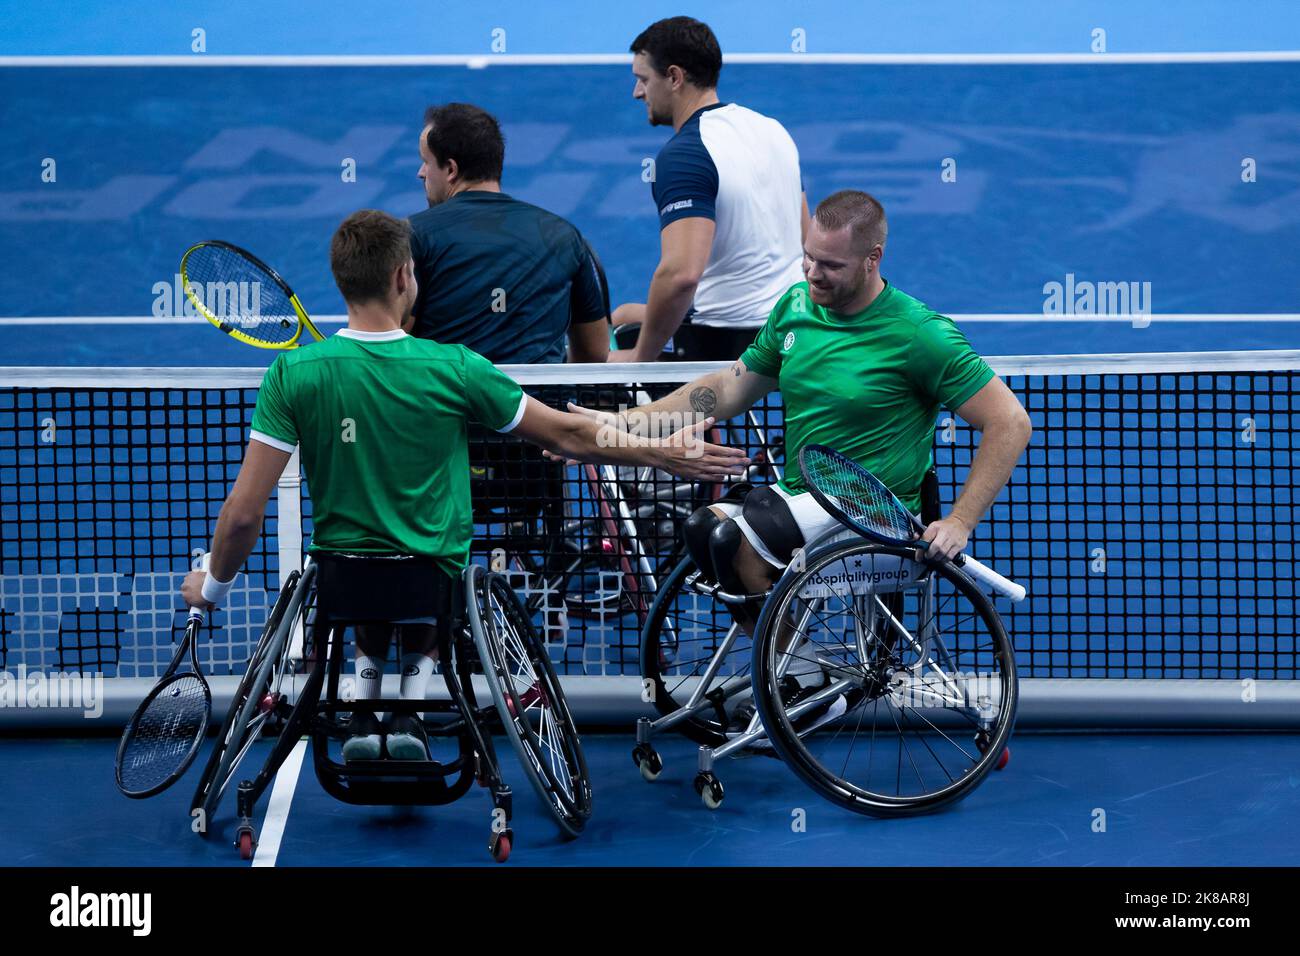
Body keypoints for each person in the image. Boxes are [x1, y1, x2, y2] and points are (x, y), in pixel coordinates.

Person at [181, 209, 747, 762]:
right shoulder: (456, 368)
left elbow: (243, 515)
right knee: (422, 562)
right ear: (405, 277)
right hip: (432, 578)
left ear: (341, 280)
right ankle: (409, 705)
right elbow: (572, 434)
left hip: (342, 583)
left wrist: (211, 589)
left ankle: (365, 703)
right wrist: (664, 453)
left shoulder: (294, 375)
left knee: (366, 560)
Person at [568, 190, 1032, 732]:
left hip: (874, 512)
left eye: (831, 265)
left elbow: (1011, 423)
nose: (813, 273)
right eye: (808, 257)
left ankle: (807, 683)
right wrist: (622, 425)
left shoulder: (919, 335)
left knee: (734, 537)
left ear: (873, 258)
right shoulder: (795, 307)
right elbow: (725, 389)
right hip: (803, 495)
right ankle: (807, 671)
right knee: (703, 530)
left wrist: (959, 521)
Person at [609, 16, 809, 363]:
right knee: (625, 314)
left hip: (726, 336)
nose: (637, 92)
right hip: (794, 324)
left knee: (606, 344)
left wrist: (641, 357)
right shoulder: (773, 130)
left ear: (674, 77)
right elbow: (808, 244)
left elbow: (681, 276)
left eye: (643, 80)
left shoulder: (685, 155)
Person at [410, 102, 609, 365]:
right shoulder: (564, 235)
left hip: (449, 404)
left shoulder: (413, 234)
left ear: (451, 170)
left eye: (426, 162)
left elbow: (390, 345)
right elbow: (594, 353)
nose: (420, 173)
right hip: (542, 402)